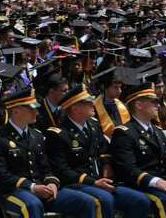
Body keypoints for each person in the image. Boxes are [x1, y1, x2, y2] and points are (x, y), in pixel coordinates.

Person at [0, 87, 97, 218]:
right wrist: (32, 187)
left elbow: (46, 168)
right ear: (15, 111)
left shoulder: (36, 135)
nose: (36, 112)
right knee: (32, 205)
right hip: (12, 192)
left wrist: (52, 183)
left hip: (41, 189)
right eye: (31, 108)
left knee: (86, 202)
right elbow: (0, 174)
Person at [44, 85, 153, 218]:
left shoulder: (93, 125)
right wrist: (93, 182)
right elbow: (62, 170)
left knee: (139, 200)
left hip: (100, 180)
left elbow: (103, 148)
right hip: (78, 184)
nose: (93, 104)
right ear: (75, 108)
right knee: (104, 199)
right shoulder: (58, 134)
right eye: (88, 103)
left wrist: (106, 163)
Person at [109, 82, 166, 218]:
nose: (158, 105)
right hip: (141, 186)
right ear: (139, 105)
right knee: (165, 199)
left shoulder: (157, 131)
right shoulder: (124, 133)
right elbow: (128, 170)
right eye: (154, 102)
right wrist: (157, 182)